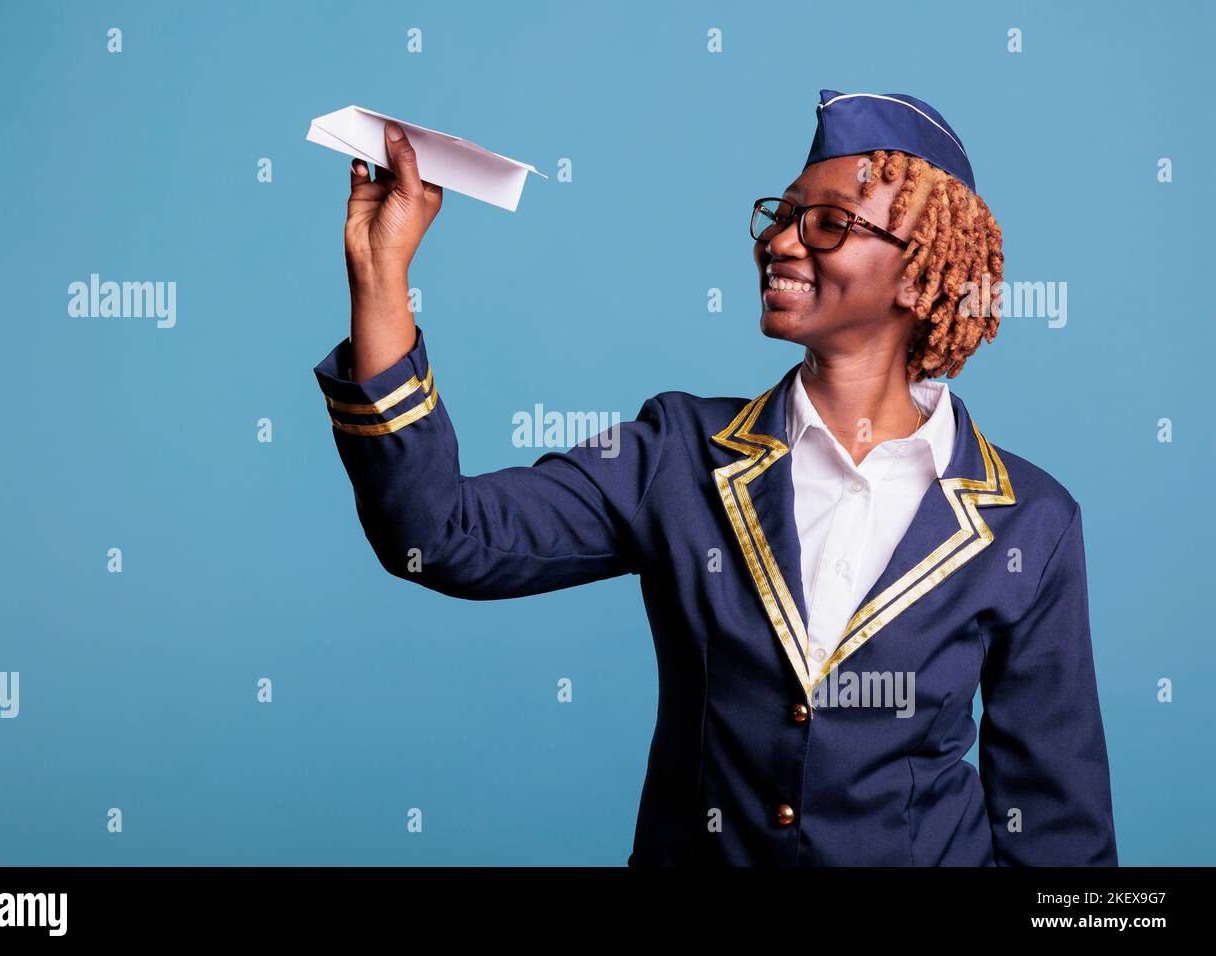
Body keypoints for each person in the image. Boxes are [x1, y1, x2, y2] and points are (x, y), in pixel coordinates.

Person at [312, 89, 1118, 866]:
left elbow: (1057, 826)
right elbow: (439, 536)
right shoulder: (677, 452)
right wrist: (381, 277)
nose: (782, 242)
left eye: (830, 224)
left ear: (919, 272)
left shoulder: (1031, 522)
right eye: (782, 216)